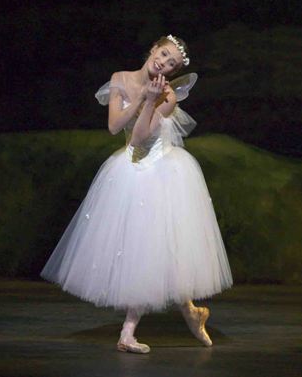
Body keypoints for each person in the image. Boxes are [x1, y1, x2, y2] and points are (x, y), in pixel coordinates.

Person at [40, 34, 233, 354]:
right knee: (147, 254)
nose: (164, 63)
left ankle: (132, 332)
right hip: (131, 170)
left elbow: (140, 136)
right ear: (153, 50)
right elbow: (117, 128)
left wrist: (150, 99)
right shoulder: (120, 79)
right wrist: (142, 94)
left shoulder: (168, 97)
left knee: (156, 252)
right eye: (163, 54)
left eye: (172, 63)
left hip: (163, 172)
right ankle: (187, 312)